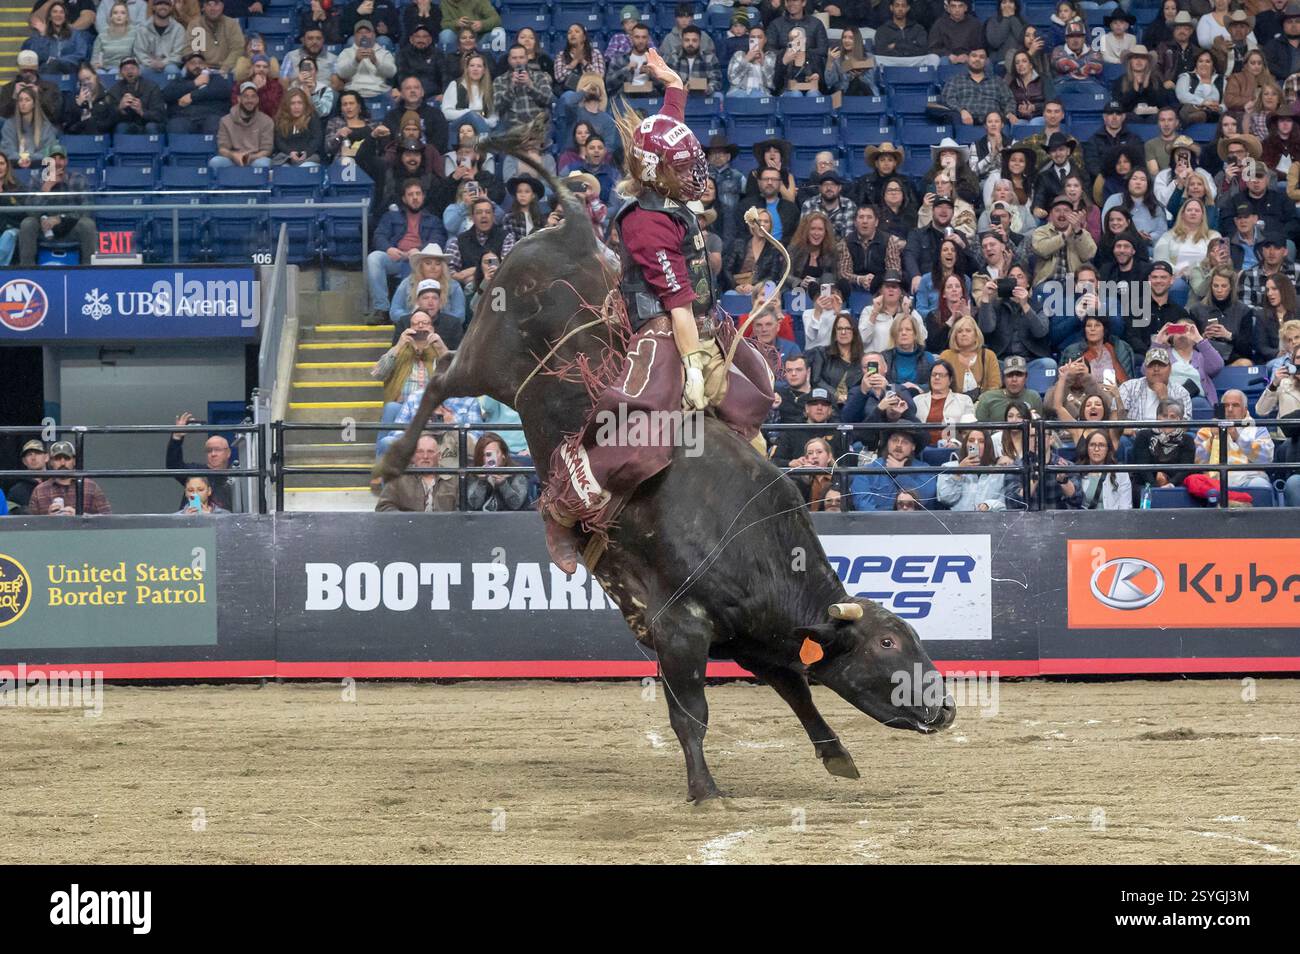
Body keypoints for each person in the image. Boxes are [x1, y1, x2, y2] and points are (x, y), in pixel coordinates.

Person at [539, 50, 775, 571]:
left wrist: (674, 85)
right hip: (664, 326)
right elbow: (677, 305)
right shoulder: (644, 224)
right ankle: (563, 509)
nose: (698, 175)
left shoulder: (662, 162)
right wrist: (694, 366)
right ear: (659, 175)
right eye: (687, 169)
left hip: (702, 319)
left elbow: (670, 121)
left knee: (752, 396)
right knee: (644, 433)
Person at [365, 179, 447, 324]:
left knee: (422, 261)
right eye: (410, 194)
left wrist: (420, 250)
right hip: (396, 257)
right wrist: (388, 248)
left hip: (419, 260)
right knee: (374, 258)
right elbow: (379, 236)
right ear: (404, 198)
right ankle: (382, 309)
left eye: (418, 194)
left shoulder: (433, 220)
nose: (415, 197)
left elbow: (438, 239)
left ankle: (410, 314)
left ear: (423, 196)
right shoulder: (391, 216)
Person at [17, 145, 95, 264]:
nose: (57, 163)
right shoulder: (37, 180)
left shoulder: (78, 179)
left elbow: (87, 210)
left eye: (61, 159)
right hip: (44, 229)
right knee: (28, 223)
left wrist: (61, 218)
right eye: (53, 159)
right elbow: (30, 211)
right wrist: (46, 189)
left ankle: (89, 270)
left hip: (71, 228)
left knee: (87, 224)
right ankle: (27, 270)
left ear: (66, 161)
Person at [1194, 388, 1274, 489]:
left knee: (1261, 486)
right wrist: (1211, 439)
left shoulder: (1258, 428)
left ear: (1245, 409)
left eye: (1235, 405)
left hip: (1248, 479)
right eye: (1226, 405)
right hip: (1214, 482)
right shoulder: (1208, 428)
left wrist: (1238, 438)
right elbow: (1197, 461)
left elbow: (1267, 458)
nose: (1230, 409)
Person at [848, 423, 938, 510]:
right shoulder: (868, 471)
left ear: (913, 447)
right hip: (878, 523)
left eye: (905, 442)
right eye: (895, 440)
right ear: (888, 443)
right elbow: (862, 504)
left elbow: (925, 497)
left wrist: (900, 474)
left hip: (915, 522)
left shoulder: (924, 469)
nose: (898, 445)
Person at [166, 411, 236, 510]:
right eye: (209, 450)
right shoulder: (197, 472)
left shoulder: (236, 476)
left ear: (228, 453)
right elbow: (173, 465)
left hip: (224, 523)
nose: (213, 454)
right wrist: (177, 437)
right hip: (193, 521)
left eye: (218, 449)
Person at [376, 432, 458, 512]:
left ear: (439, 456)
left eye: (430, 452)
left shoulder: (454, 480)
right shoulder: (399, 477)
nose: (425, 456)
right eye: (420, 452)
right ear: (413, 455)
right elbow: (383, 506)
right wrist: (405, 520)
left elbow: (462, 511)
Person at [1132, 398, 1197, 499]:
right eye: (1164, 415)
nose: (1168, 420)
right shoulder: (1143, 436)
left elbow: (1185, 469)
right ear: (1157, 417)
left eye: (1172, 416)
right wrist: (1156, 487)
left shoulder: (1187, 440)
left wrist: (1170, 484)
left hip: (1175, 485)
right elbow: (1143, 467)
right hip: (1147, 484)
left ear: (1179, 420)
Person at [768, 387, 850, 467]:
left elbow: (849, 462)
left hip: (830, 478)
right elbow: (775, 461)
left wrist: (831, 463)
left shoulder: (839, 432)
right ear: (807, 408)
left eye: (824, 404)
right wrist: (790, 463)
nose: (819, 408)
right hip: (797, 478)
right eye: (814, 404)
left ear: (830, 410)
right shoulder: (792, 430)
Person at [26, 440, 111, 515]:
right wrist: (49, 519)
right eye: (58, 459)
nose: (62, 463)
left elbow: (107, 520)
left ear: (74, 461)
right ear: (51, 462)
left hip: (82, 532)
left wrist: (80, 516)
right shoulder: (39, 491)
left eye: (67, 458)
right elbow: (30, 526)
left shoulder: (90, 487)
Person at [937, 427, 1011, 511]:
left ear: (987, 445)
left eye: (981, 441)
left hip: (988, 520)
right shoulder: (948, 467)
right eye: (971, 440)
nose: (976, 445)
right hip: (958, 520)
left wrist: (989, 505)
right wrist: (958, 472)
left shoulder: (999, 471)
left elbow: (1005, 502)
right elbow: (946, 499)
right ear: (965, 444)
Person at [164, 49, 232, 134]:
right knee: (176, 126)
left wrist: (192, 96)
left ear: (206, 66)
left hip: (210, 115)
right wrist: (194, 84)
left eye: (200, 63)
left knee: (215, 123)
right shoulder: (179, 81)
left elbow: (223, 90)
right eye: (193, 63)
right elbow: (167, 94)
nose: (197, 65)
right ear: (186, 66)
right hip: (185, 117)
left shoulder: (216, 79)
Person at [1120, 345, 1193, 420]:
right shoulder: (1129, 387)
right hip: (1135, 431)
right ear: (1145, 369)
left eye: (1161, 365)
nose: (1156, 369)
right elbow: (1117, 420)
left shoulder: (1181, 393)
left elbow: (1183, 426)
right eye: (1151, 365)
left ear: (1170, 368)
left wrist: (1164, 399)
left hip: (1165, 431)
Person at [210, 81, 272, 168]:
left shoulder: (267, 121)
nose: (250, 100)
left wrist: (250, 157)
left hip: (255, 159)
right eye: (246, 96)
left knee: (263, 164)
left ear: (257, 99)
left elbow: (267, 150)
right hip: (232, 159)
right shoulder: (225, 120)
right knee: (215, 162)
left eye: (253, 96)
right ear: (239, 99)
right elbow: (222, 148)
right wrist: (234, 155)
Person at [491, 44, 553, 131]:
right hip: (513, 127)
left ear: (527, 58)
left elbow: (548, 100)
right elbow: (498, 106)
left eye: (521, 57)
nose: (518, 61)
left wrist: (530, 86)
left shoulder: (540, 76)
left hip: (538, 125)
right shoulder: (500, 80)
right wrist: (511, 88)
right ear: (509, 60)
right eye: (514, 58)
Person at [466, 432, 529, 512]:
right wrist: (482, 482)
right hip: (481, 522)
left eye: (493, 454)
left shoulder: (517, 473)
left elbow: (516, 505)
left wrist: (503, 484)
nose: (489, 459)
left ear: (503, 454)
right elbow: (474, 505)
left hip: (511, 521)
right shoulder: (473, 474)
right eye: (485, 455)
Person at [941, 315, 1001, 399]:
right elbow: (941, 385)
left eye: (968, 331)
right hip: (954, 404)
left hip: (983, 404)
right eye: (960, 331)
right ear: (955, 336)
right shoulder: (946, 356)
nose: (964, 334)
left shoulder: (989, 355)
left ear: (976, 335)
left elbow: (995, 386)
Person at [24, 0, 90, 74]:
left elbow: (80, 54)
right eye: (55, 12)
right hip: (48, 70)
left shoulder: (75, 34)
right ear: (49, 17)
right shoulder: (42, 35)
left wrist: (59, 60)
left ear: (65, 17)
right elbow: (37, 55)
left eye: (61, 12)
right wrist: (42, 35)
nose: (58, 15)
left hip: (70, 70)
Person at [335, 19, 396, 98]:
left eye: (367, 32)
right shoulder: (346, 53)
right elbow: (341, 73)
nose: (364, 35)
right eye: (360, 32)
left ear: (374, 35)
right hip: (354, 94)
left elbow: (392, 73)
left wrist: (376, 61)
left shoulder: (384, 53)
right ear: (354, 36)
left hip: (379, 93)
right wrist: (355, 61)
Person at [0, 86, 57, 168]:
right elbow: (6, 149)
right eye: (20, 100)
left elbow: (49, 149)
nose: (23, 103)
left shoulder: (45, 126)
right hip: (14, 166)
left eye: (27, 100)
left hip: (39, 166)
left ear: (34, 104)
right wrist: (19, 159)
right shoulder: (9, 124)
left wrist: (30, 158)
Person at [1075, 429, 1132, 509]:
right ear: (1087, 448)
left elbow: (1125, 507)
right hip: (1085, 520)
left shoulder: (1120, 473)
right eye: (1092, 445)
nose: (1096, 449)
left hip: (1113, 520)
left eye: (1101, 445)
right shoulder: (1077, 472)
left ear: (1108, 449)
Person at [883, 312, 935, 393]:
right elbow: (881, 386)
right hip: (891, 401)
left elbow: (934, 384)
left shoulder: (927, 358)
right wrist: (901, 388)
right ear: (894, 334)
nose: (903, 333)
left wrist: (916, 387)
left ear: (915, 334)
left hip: (920, 400)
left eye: (908, 329)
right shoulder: (884, 358)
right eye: (899, 330)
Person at [191, 0, 242, 74]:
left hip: (228, 69)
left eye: (216, 4)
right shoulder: (195, 24)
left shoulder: (232, 24)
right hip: (202, 68)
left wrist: (226, 66)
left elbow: (237, 49)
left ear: (222, 6)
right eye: (209, 4)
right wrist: (200, 65)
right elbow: (191, 49)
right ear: (203, 7)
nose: (213, 8)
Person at [3, 439, 49, 514]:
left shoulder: (57, 483)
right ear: (24, 461)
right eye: (29, 454)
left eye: (37, 453)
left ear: (46, 457)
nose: (33, 458)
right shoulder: (16, 491)